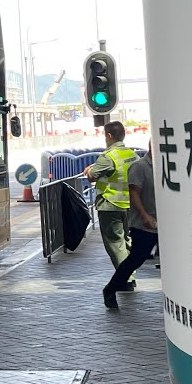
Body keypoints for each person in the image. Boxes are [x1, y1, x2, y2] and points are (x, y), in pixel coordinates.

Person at [83, 121, 140, 286]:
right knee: (128, 241)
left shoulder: (108, 156)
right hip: (130, 204)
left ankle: (126, 279)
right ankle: (131, 275)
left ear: (109, 136)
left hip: (110, 204)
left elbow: (92, 176)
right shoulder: (132, 154)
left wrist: (89, 170)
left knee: (115, 244)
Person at [104, 146, 158, 308]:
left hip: (163, 223)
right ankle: (110, 289)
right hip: (144, 224)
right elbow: (133, 192)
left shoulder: (166, 165)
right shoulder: (139, 166)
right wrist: (144, 216)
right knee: (136, 258)